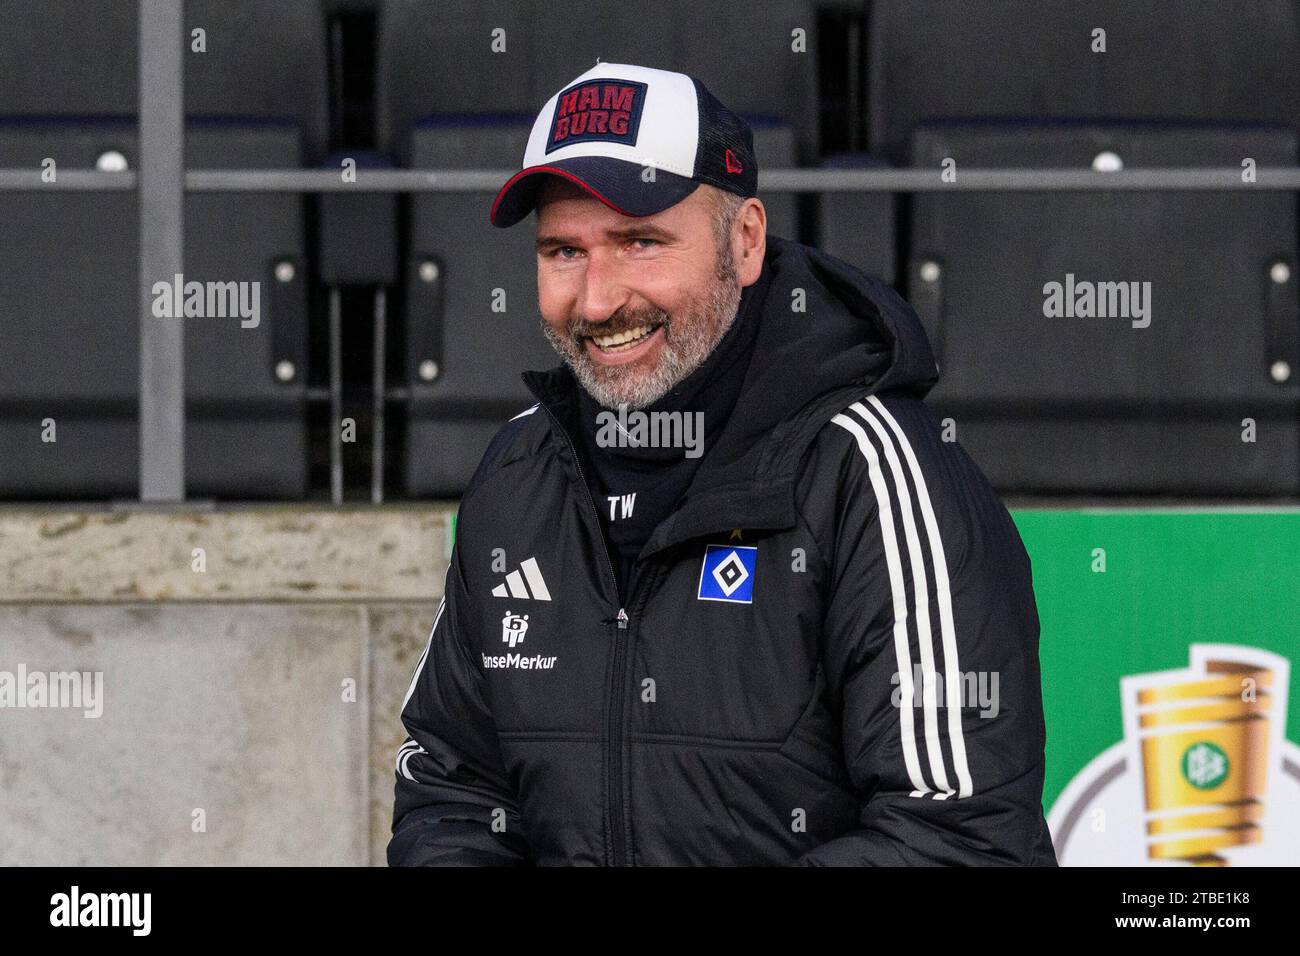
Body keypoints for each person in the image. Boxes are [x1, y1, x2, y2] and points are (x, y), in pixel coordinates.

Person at [389, 61, 1058, 866]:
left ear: (742, 242)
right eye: (564, 252)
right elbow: (452, 793)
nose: (597, 301)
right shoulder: (517, 472)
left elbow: (963, 839)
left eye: (640, 242)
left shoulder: (872, 470)